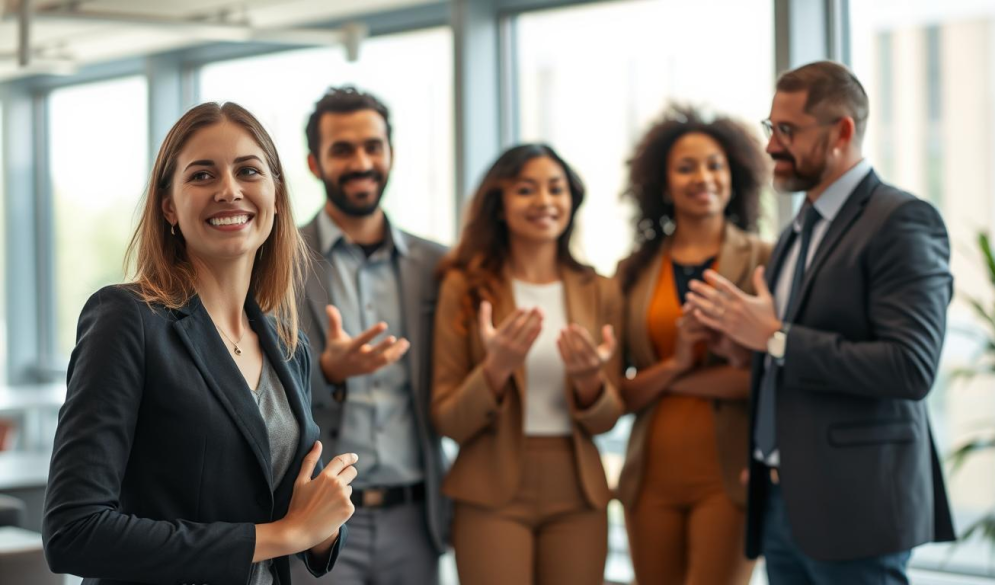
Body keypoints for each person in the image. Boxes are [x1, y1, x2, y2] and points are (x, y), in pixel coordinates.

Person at [42, 102, 356, 585]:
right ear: (168, 205)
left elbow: (288, 507)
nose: (229, 190)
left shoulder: (289, 346)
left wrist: (322, 531)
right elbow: (74, 532)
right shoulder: (126, 319)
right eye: (202, 176)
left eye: (248, 171)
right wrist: (285, 534)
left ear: (276, 196)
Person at [686, 60, 956, 584]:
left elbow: (910, 367)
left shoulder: (901, 220)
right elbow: (787, 354)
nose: (770, 147)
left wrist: (775, 338)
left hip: (856, 510)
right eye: (771, 128)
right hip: (784, 501)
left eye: (787, 131)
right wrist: (742, 344)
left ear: (842, 132)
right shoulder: (797, 229)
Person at [432, 143, 623, 585]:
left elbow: (609, 418)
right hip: (490, 488)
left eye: (556, 188)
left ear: (572, 200)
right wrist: (496, 370)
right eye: (525, 189)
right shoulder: (463, 286)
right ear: (499, 204)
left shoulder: (601, 290)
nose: (543, 201)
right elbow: (447, 418)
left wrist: (590, 383)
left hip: (577, 490)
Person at [292, 86, 449, 585]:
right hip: (319, 516)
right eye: (342, 150)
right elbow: (254, 389)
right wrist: (328, 372)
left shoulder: (437, 265)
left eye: (372, 147)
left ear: (391, 154)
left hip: (415, 517)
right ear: (315, 164)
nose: (361, 162)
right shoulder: (278, 264)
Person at [615, 105, 771, 585]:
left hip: (730, 479)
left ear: (734, 176)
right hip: (649, 479)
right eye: (686, 167)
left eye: (714, 165)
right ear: (663, 185)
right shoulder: (633, 271)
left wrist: (670, 375)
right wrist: (678, 361)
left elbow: (765, 377)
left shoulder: (766, 259)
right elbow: (618, 394)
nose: (702, 177)